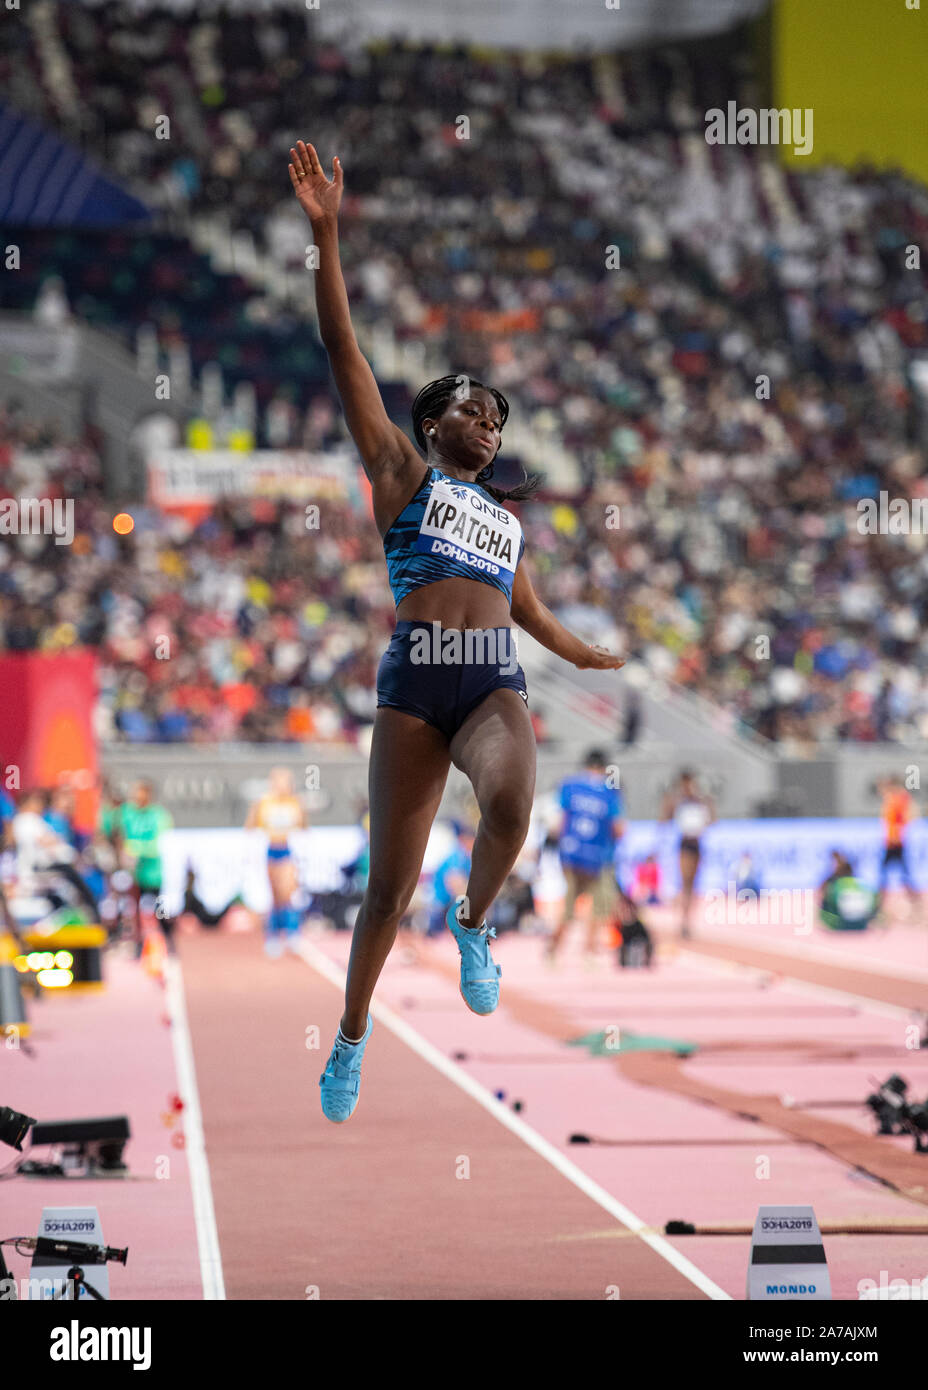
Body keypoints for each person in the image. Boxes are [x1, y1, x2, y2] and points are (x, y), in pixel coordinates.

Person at [288, 140, 623, 1121]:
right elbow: (343, 351)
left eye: (496, 418)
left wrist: (584, 654)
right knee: (385, 893)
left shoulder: (507, 522)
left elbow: (529, 612)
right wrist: (325, 235)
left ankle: (474, 920)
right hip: (413, 684)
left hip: (487, 679)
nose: (487, 423)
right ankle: (351, 1035)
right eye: (471, 410)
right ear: (433, 423)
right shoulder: (399, 471)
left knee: (515, 808)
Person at [545, 750, 625, 964]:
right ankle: (589, 953)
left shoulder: (569, 785)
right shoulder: (610, 791)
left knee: (569, 906)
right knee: (599, 907)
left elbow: (557, 824)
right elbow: (618, 829)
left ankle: (552, 950)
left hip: (571, 855)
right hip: (599, 858)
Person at [245, 767, 307, 958]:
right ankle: (272, 935)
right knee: (274, 895)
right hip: (270, 850)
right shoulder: (264, 802)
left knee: (287, 892)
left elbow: (304, 827)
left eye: (285, 782)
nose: (282, 786)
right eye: (278, 782)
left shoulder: (295, 802)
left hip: (287, 851)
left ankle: (292, 932)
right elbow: (250, 827)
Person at [112, 781, 174, 954]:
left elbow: (160, 844)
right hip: (134, 874)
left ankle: (168, 939)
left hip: (155, 873)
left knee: (161, 909)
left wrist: (135, 848)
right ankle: (137, 943)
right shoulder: (126, 813)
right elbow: (115, 831)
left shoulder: (160, 815)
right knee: (132, 908)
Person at [661, 769, 715, 939]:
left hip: (697, 844)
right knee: (685, 883)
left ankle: (688, 921)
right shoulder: (678, 801)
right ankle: (683, 922)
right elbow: (664, 819)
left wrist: (705, 801)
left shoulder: (700, 800)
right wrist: (672, 802)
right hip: (684, 845)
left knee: (693, 885)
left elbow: (712, 819)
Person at [877, 775, 918, 912]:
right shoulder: (893, 799)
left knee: (888, 874)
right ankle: (914, 903)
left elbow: (906, 817)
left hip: (894, 843)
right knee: (900, 874)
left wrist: (897, 833)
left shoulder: (898, 800)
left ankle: (879, 906)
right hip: (893, 842)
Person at [428, 823, 476, 938]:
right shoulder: (457, 856)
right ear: (465, 839)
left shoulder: (466, 856)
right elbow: (455, 884)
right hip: (442, 903)